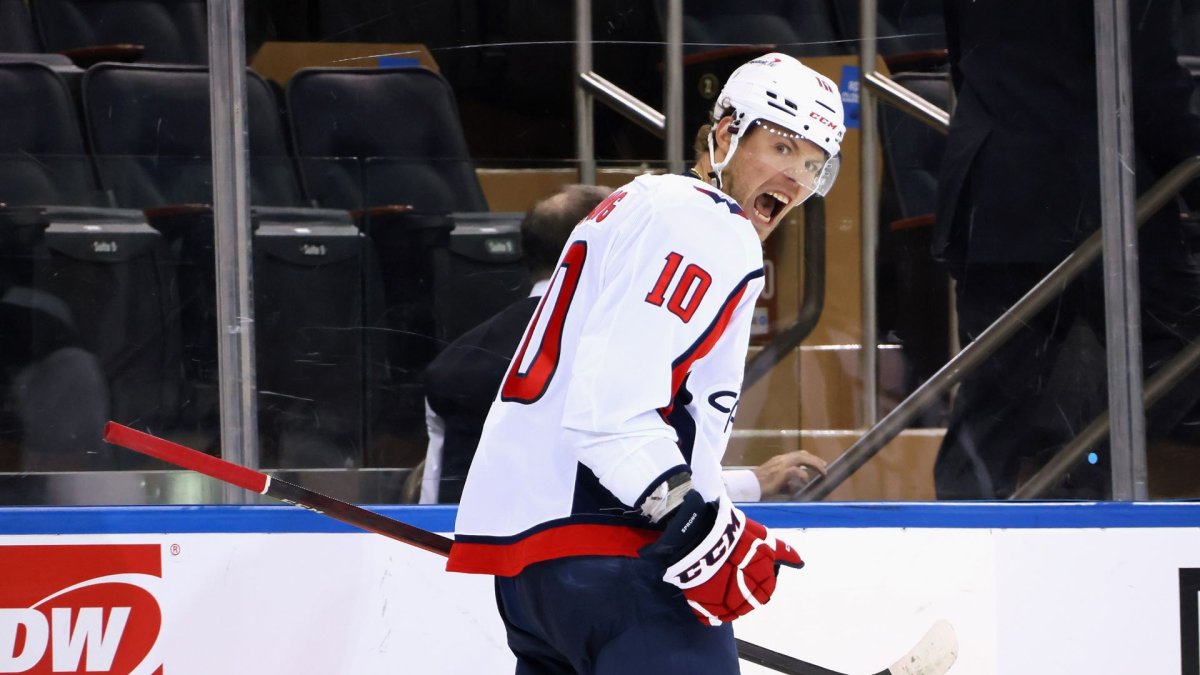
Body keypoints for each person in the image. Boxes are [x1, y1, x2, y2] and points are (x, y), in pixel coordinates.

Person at [446, 53, 844, 674]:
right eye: (784, 147)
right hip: (619, 562)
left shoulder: (637, 207)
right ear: (723, 133)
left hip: (537, 584)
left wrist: (717, 506)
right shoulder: (705, 223)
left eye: (815, 164)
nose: (796, 178)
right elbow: (613, 407)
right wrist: (697, 525)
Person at [932, 0, 1200, 499]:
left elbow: (964, 60)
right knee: (1182, 337)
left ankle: (962, 542)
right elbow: (1148, 83)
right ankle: (1081, 470)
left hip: (995, 185)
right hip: (1091, 189)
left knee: (993, 397)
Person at [419, 183, 827, 504]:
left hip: (458, 569)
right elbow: (626, 477)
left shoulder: (454, 361)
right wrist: (754, 483)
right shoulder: (622, 341)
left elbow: (434, 499)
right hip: (568, 570)